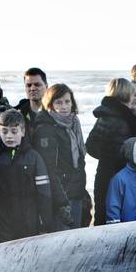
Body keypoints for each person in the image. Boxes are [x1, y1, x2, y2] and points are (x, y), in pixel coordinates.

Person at [0, 110, 69, 246]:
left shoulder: (34, 157)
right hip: (1, 222)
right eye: (4, 131)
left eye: (14, 131)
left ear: (23, 131)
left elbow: (44, 193)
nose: (9, 136)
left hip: (28, 221)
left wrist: (45, 223)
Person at [87, 78, 136, 227]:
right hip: (120, 176)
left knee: (104, 216)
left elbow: (90, 146)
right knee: (120, 218)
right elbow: (127, 152)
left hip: (104, 173)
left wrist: (107, 156)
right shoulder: (124, 118)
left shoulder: (105, 114)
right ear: (126, 94)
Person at [30, 83, 89, 228]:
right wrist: (61, 202)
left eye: (67, 102)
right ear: (49, 104)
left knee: (77, 242)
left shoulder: (74, 123)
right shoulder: (45, 129)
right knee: (66, 242)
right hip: (61, 198)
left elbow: (80, 160)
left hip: (76, 192)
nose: (64, 106)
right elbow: (48, 169)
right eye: (59, 102)